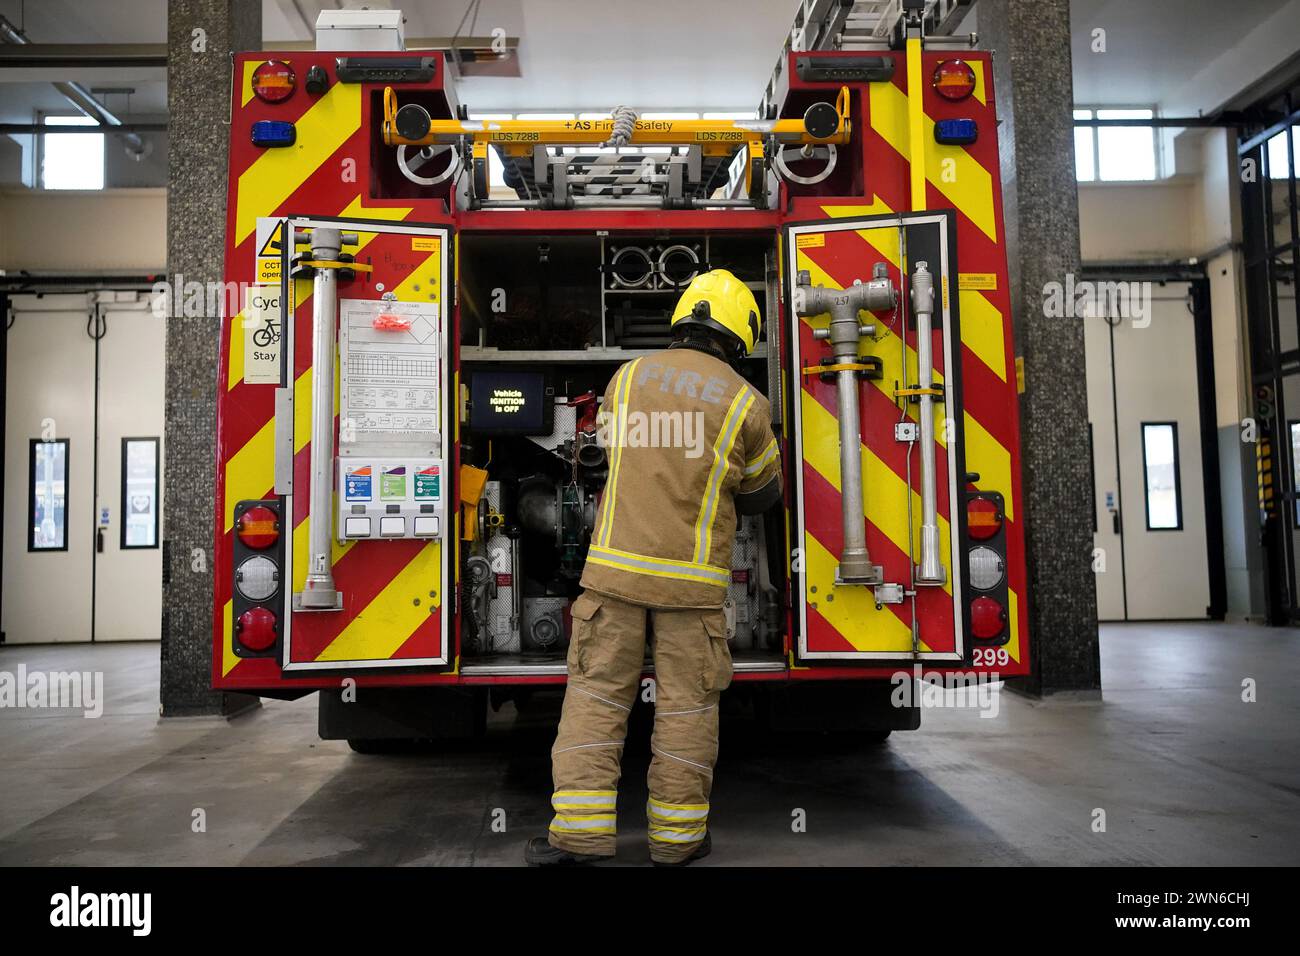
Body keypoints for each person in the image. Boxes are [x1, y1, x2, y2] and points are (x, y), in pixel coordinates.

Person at [524, 269, 782, 866]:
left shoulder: (629, 377)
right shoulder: (747, 403)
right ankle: (677, 840)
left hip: (613, 578)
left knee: (595, 697)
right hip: (692, 590)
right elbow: (764, 494)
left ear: (683, 318)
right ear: (739, 333)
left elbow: (607, 455)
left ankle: (582, 837)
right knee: (687, 709)